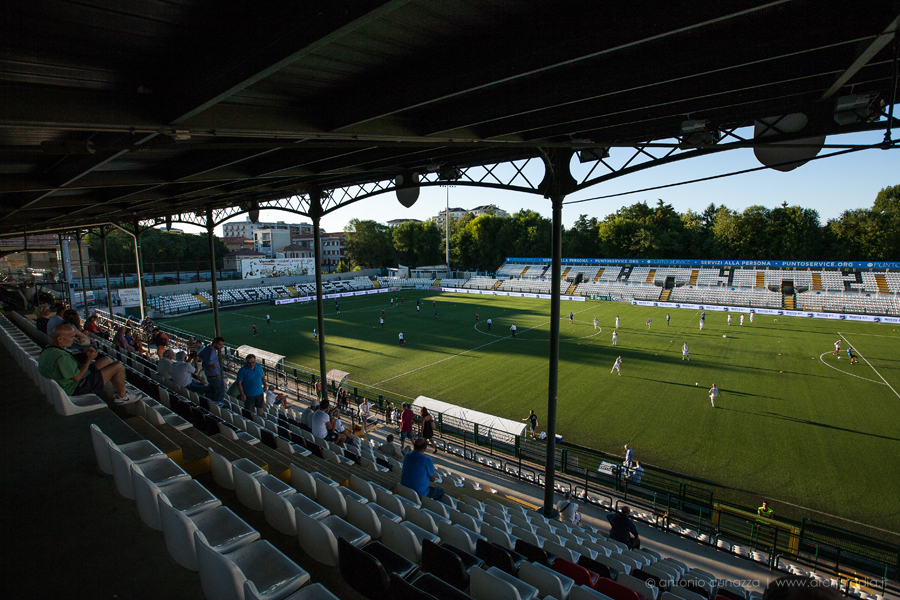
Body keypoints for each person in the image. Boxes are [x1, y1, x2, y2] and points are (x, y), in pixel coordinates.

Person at [38, 324, 138, 405]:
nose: (74, 339)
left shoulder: (48, 349)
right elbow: (77, 377)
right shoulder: (61, 357)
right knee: (118, 366)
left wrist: (84, 355)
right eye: (72, 336)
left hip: (70, 381)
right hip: (77, 387)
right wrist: (89, 359)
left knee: (107, 360)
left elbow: (70, 365)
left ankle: (117, 391)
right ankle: (122, 397)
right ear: (60, 339)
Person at [198, 336, 226, 406]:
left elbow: (199, 356)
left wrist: (205, 365)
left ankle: (212, 405)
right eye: (219, 345)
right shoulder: (212, 350)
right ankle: (218, 407)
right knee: (219, 393)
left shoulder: (207, 348)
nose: (221, 347)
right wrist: (212, 366)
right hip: (215, 375)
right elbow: (210, 361)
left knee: (212, 391)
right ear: (214, 343)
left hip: (209, 375)